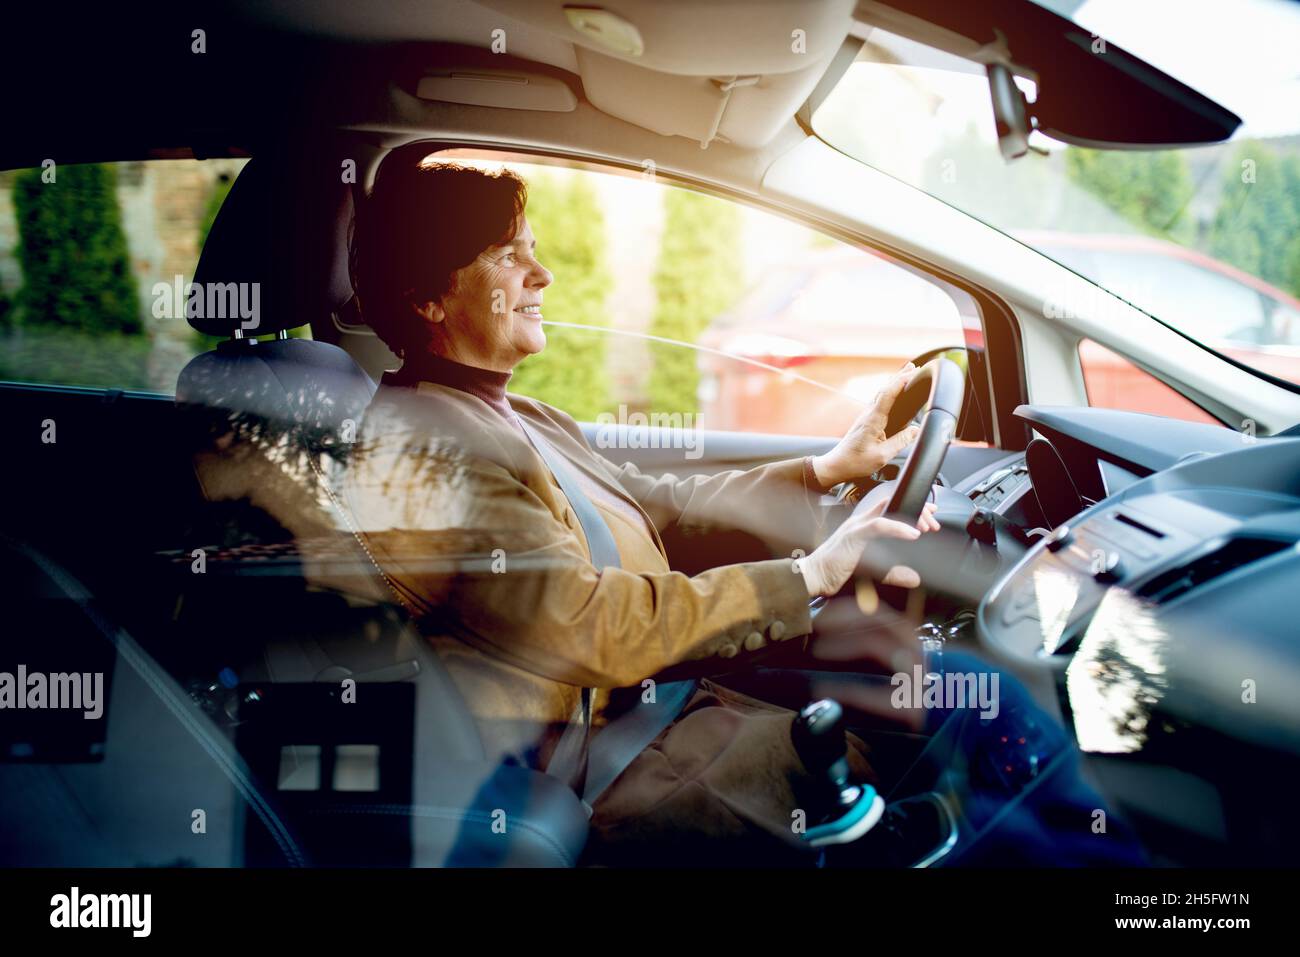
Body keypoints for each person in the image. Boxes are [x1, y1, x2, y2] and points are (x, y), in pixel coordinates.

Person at [344, 159, 940, 866]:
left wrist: (823, 469)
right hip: (606, 768)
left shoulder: (516, 411)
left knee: (930, 724)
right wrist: (810, 574)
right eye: (508, 256)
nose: (543, 274)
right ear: (427, 300)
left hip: (666, 705)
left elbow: (664, 508)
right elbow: (589, 623)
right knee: (924, 786)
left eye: (533, 248)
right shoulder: (420, 450)